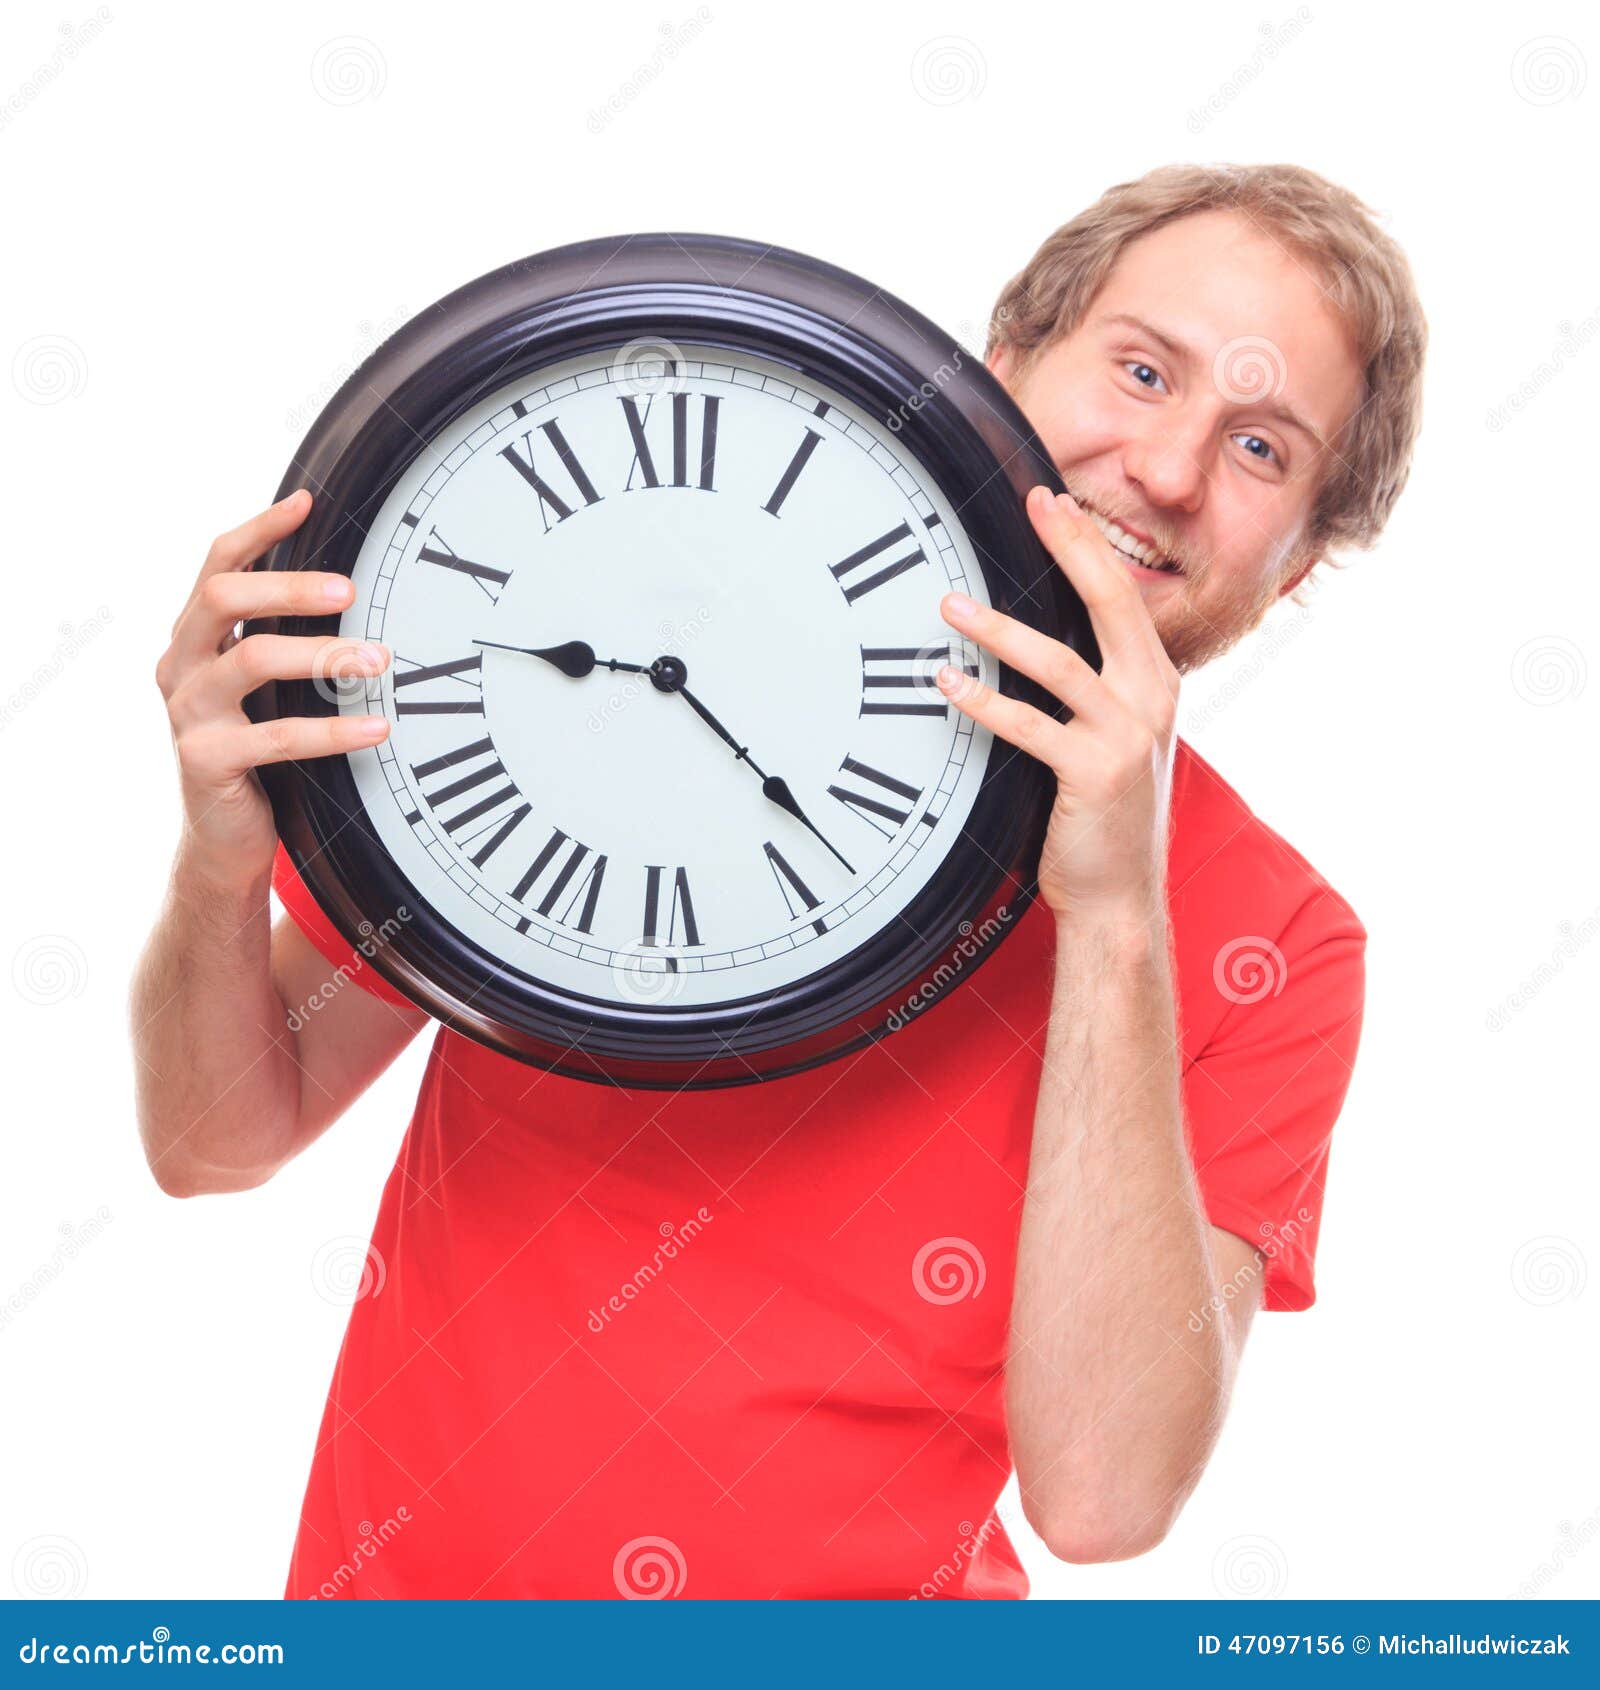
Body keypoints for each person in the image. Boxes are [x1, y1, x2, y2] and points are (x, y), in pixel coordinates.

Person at [131, 163, 1427, 1599]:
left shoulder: (1284, 942)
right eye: (1140, 369)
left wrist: (1118, 909)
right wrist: (221, 854)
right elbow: (213, 1140)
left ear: (1302, 560)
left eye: (1264, 451)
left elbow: (1103, 1497)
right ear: (996, 375)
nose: (1171, 469)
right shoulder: (618, 680)